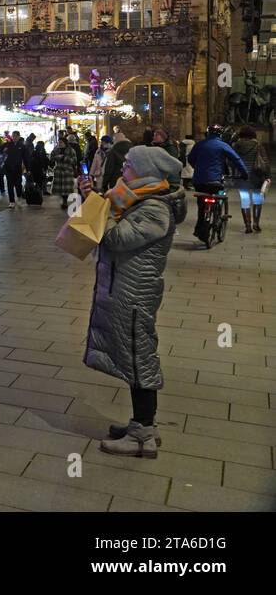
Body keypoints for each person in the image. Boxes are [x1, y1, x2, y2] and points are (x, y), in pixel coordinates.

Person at [80, 145, 186, 458]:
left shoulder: (154, 207)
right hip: (125, 290)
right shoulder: (133, 197)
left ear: (144, 171)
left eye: (128, 164)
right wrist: (94, 198)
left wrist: (92, 206)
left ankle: (143, 433)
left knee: (140, 359)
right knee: (132, 356)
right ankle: (142, 424)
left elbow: (115, 238)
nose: (123, 168)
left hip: (135, 295)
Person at [187, 127, 247, 244]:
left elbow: (190, 159)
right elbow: (236, 159)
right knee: (219, 194)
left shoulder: (200, 145)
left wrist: (198, 168)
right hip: (215, 180)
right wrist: (244, 174)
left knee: (201, 204)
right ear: (221, 134)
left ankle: (200, 229)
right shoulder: (223, 145)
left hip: (199, 181)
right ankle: (217, 213)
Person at [230, 126, 268, 233]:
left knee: (245, 200)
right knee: (257, 199)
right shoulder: (258, 145)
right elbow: (265, 161)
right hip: (257, 175)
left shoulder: (236, 145)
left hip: (242, 176)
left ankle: (247, 225)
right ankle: (256, 223)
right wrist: (268, 176)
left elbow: (231, 161)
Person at [50, 134, 80, 210]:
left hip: (67, 172)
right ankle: (64, 200)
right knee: (60, 189)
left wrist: (64, 158)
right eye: (58, 142)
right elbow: (51, 158)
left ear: (65, 143)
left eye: (61, 142)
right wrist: (57, 157)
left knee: (66, 189)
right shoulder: (56, 149)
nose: (59, 144)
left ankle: (65, 201)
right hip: (59, 171)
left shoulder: (71, 150)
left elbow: (74, 161)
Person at [3, 131, 27, 208]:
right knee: (10, 185)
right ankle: (12, 201)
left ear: (19, 137)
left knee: (18, 184)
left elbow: (26, 158)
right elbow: (0, 152)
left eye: (16, 136)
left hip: (18, 169)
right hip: (8, 169)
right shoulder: (7, 145)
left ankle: (19, 197)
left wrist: (28, 168)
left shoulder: (22, 146)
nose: (14, 137)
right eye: (13, 136)